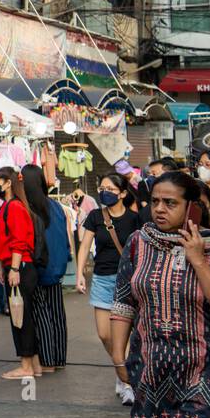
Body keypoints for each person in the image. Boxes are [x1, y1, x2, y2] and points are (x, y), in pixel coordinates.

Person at [111, 171, 210, 418]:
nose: (159, 209)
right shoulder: (138, 243)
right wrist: (119, 359)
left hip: (205, 375)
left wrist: (198, 260)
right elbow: (123, 304)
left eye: (170, 203)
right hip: (149, 375)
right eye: (155, 202)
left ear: (191, 208)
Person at [75, 172, 142, 405]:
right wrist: (80, 273)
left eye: (110, 190)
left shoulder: (136, 219)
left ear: (123, 193)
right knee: (104, 334)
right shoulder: (95, 216)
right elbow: (84, 246)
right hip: (102, 279)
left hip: (129, 281)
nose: (104, 193)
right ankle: (121, 369)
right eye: (102, 188)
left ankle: (128, 383)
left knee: (130, 335)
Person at [0, 166, 39, 380]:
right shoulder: (11, 206)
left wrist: (13, 268)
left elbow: (19, 241)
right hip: (15, 265)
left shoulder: (15, 207)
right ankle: (32, 365)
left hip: (20, 267)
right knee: (23, 315)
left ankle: (27, 365)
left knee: (21, 317)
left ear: (8, 182)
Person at [23, 164, 69, 375]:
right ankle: (58, 358)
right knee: (57, 314)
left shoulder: (29, 210)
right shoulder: (56, 206)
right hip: (57, 267)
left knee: (41, 315)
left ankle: (48, 361)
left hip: (40, 267)